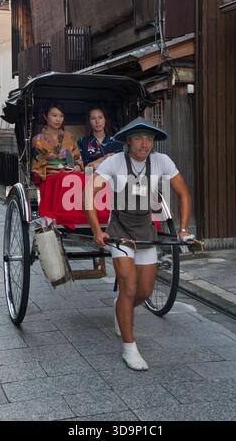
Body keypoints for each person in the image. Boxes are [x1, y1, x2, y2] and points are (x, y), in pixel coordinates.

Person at [84, 117, 192, 371]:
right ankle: (129, 347)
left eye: (149, 139)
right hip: (119, 231)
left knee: (143, 292)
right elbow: (89, 192)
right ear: (129, 141)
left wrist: (184, 228)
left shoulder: (162, 162)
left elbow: (183, 193)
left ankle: (121, 307)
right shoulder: (115, 162)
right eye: (139, 139)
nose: (145, 145)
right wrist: (96, 230)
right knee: (129, 288)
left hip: (145, 231)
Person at [32, 100, 83, 182]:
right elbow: (38, 166)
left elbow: (77, 159)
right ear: (45, 116)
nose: (58, 119)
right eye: (54, 115)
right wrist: (58, 171)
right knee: (63, 178)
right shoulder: (38, 140)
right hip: (50, 176)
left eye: (61, 116)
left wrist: (76, 168)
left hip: (70, 172)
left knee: (83, 179)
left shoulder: (69, 137)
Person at [77, 106, 123, 170]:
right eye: (93, 118)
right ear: (89, 121)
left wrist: (94, 165)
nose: (97, 121)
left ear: (105, 120)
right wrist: (104, 158)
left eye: (100, 117)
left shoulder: (116, 141)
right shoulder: (82, 142)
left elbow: (120, 166)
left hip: (112, 178)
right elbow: (85, 169)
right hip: (89, 177)